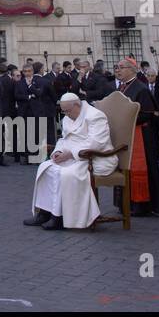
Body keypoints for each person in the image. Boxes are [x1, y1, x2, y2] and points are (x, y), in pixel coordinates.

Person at [27, 93, 117, 229]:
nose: (66, 114)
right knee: (46, 168)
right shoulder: (68, 117)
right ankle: (44, 213)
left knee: (65, 174)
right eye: (64, 111)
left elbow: (96, 142)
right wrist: (58, 151)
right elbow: (64, 139)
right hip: (74, 156)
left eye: (68, 111)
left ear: (77, 105)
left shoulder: (95, 116)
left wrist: (70, 154)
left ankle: (59, 217)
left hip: (96, 157)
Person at [112, 57, 159, 215]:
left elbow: (147, 114)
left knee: (140, 169)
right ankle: (126, 202)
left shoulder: (141, 88)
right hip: (126, 135)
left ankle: (142, 205)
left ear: (131, 69)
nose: (118, 70)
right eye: (117, 67)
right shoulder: (122, 87)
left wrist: (125, 117)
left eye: (121, 67)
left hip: (140, 137)